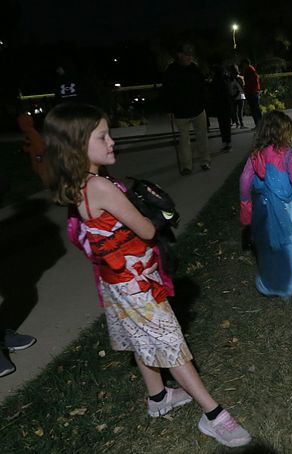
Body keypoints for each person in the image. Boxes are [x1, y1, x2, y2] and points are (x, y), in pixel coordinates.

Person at [41, 103, 251, 448]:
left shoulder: (80, 184)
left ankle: (158, 397)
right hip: (137, 285)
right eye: (102, 136)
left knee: (142, 336)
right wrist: (154, 211)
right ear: (78, 145)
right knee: (171, 343)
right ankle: (213, 415)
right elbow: (146, 230)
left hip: (118, 282)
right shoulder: (100, 187)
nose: (112, 142)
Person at [239, 110, 292, 297]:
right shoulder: (288, 154)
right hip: (286, 208)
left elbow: (244, 180)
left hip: (263, 206)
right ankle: (290, 277)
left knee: (269, 243)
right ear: (283, 133)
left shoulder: (255, 155)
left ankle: (271, 278)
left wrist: (246, 203)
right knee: (291, 240)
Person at [162, 43, 210, 176]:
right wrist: (169, 109)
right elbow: (166, 91)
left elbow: (203, 86)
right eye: (187, 54)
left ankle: (205, 161)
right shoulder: (171, 70)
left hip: (198, 110)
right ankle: (186, 166)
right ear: (180, 55)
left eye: (191, 54)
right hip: (180, 112)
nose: (190, 57)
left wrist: (204, 102)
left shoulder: (195, 68)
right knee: (184, 141)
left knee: (202, 137)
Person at [208, 65, 233, 152]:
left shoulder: (215, 82)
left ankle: (225, 142)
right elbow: (229, 93)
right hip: (226, 105)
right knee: (226, 124)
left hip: (220, 106)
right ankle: (228, 142)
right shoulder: (225, 80)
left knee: (222, 125)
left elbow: (211, 93)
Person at [241, 58, 262, 126]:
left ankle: (258, 124)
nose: (243, 65)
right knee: (255, 109)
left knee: (254, 109)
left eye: (243, 64)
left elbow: (254, 81)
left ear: (246, 63)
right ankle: (259, 124)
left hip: (252, 92)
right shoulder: (249, 70)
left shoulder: (250, 70)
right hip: (252, 91)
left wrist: (254, 90)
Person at [229, 64, 246, 129]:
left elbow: (241, 87)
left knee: (237, 111)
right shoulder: (234, 78)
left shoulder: (237, 78)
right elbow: (243, 86)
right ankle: (239, 124)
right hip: (238, 96)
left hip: (237, 96)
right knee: (237, 111)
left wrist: (234, 94)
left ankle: (239, 123)